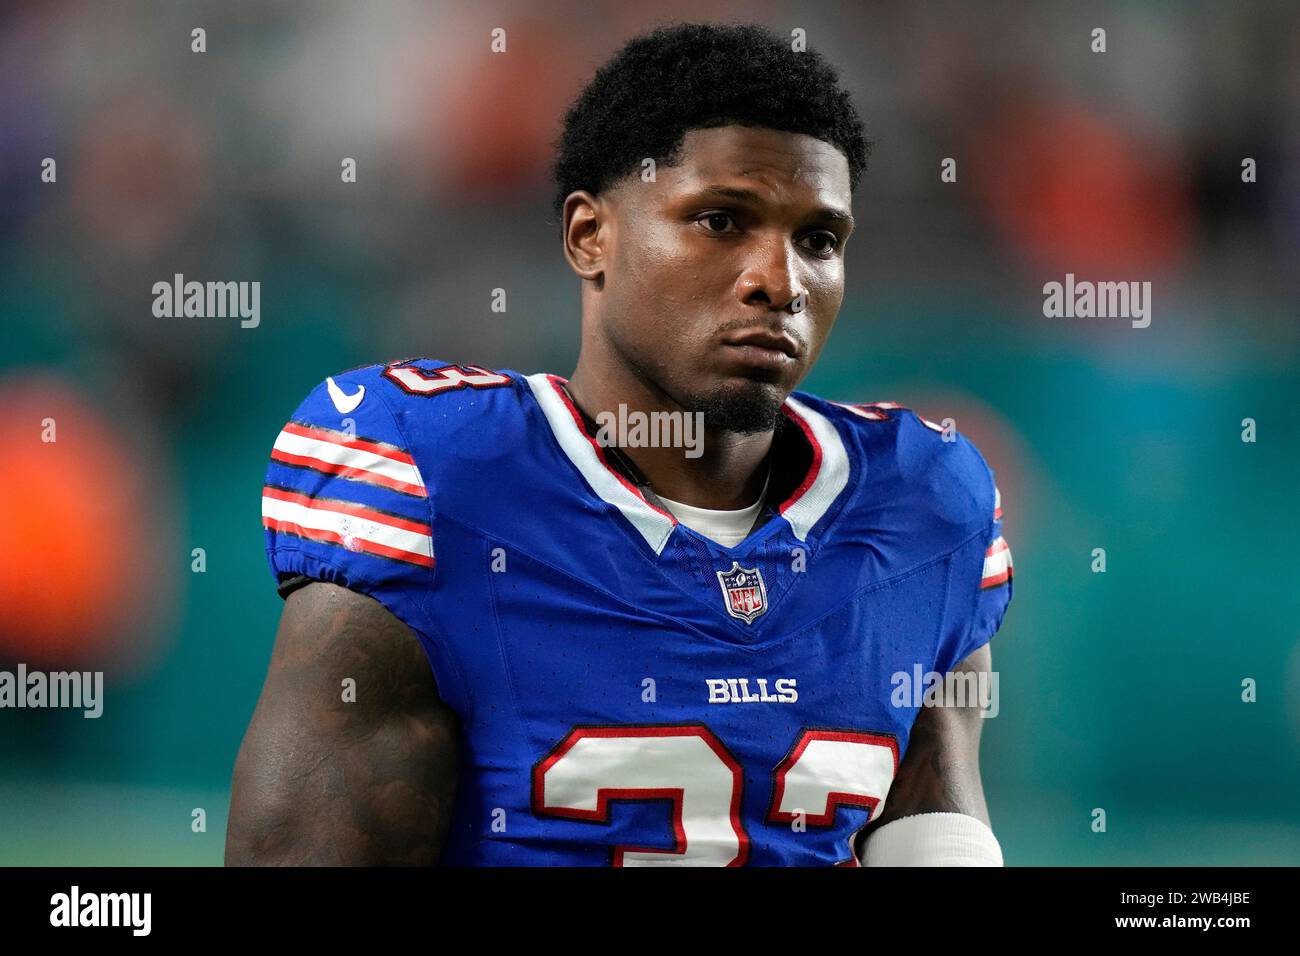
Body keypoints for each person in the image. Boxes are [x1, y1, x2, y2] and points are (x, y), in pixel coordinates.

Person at [226, 22, 1013, 866]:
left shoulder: (918, 506)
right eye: (720, 220)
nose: (779, 281)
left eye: (818, 240)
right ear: (588, 236)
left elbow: (936, 828)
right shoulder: (441, 482)